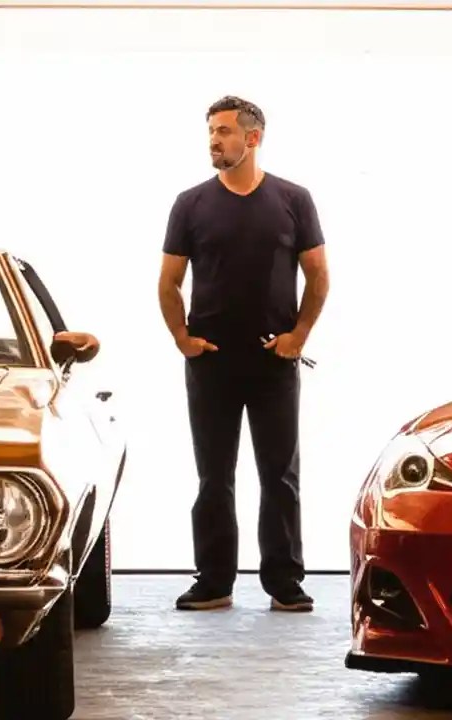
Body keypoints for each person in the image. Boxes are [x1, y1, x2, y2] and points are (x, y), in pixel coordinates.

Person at [157, 95, 330, 613]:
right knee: (214, 475)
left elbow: (318, 274)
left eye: (225, 131)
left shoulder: (293, 200)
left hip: (273, 361)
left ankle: (284, 581)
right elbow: (168, 282)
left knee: (280, 474)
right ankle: (214, 580)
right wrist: (182, 340)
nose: (215, 139)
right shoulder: (190, 203)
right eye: (211, 130)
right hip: (210, 362)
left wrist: (298, 336)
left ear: (252, 138)